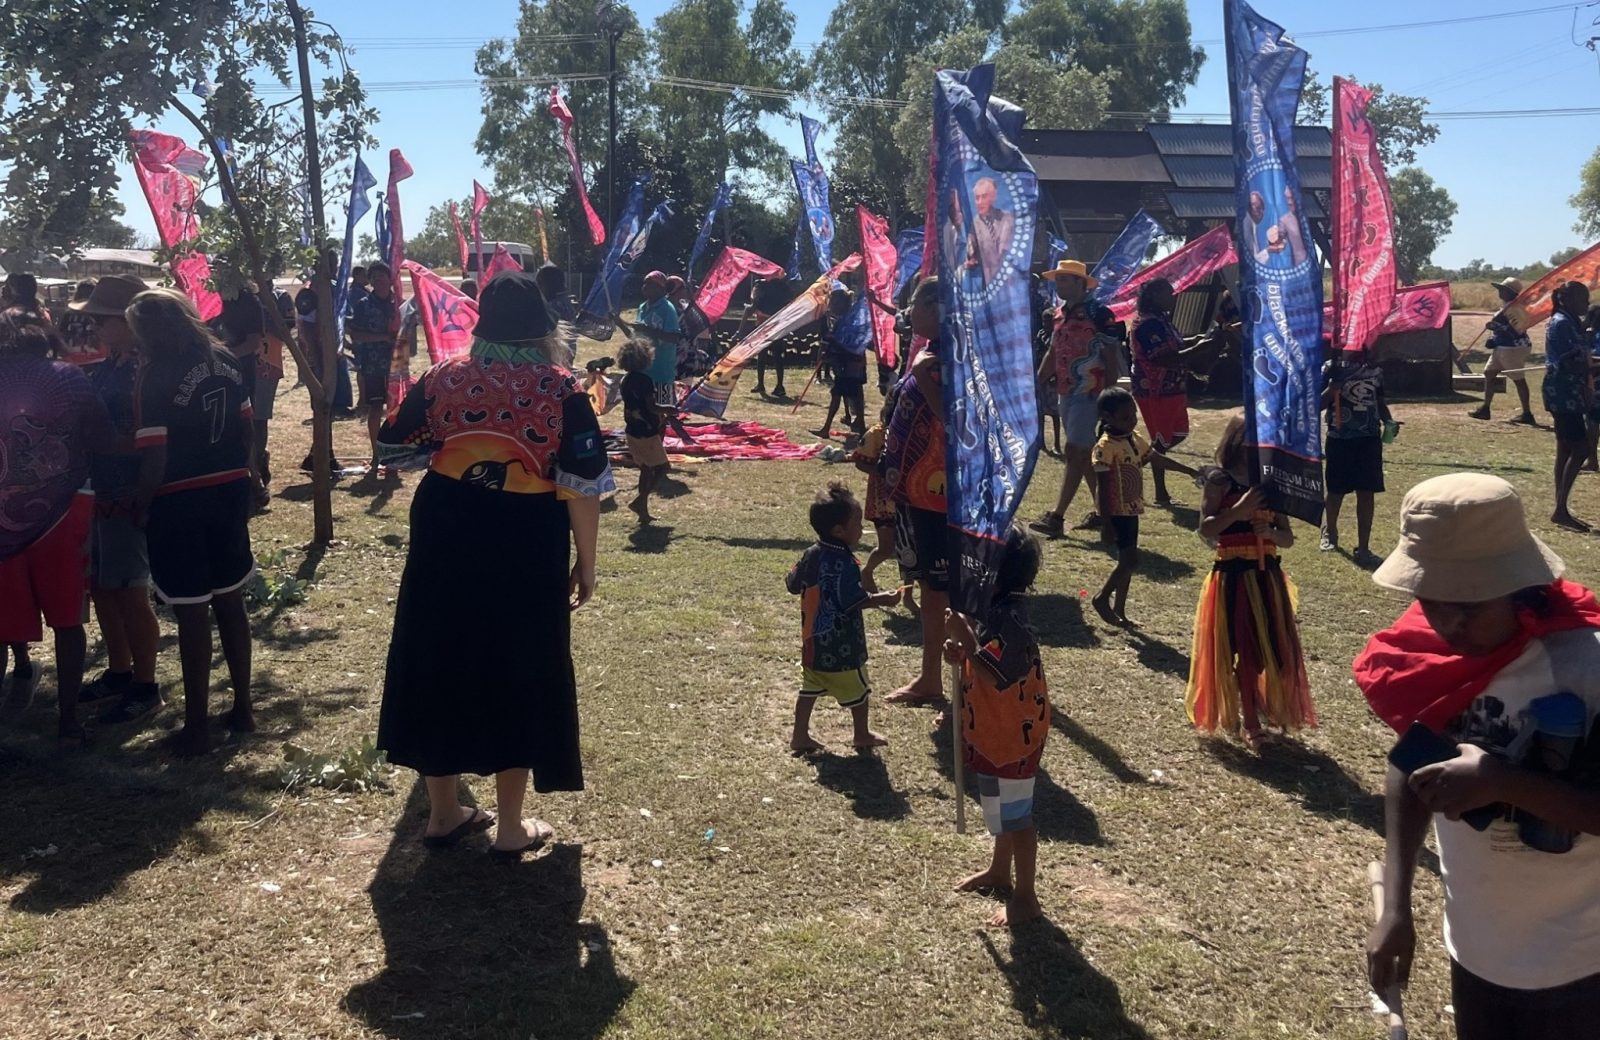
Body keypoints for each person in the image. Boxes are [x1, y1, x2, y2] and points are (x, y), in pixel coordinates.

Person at [376, 271, 614, 858]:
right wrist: (587, 563)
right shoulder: (562, 388)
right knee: (520, 659)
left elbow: (391, 444)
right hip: (525, 534)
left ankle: (443, 813)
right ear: (544, 328)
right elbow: (583, 484)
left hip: (445, 526)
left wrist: (450, 447)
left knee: (439, 650)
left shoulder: (443, 376)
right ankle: (510, 826)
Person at [1358, 473, 1600, 1039]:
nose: (1449, 624)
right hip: (1476, 948)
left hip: (1578, 960)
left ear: (1518, 587)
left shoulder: (1583, 667)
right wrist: (1397, 905)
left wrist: (1502, 781)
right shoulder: (1432, 657)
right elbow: (1409, 763)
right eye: (1431, 602)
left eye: (1467, 604)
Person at [128, 289, 259, 756]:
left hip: (179, 499)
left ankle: (197, 727)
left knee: (191, 610)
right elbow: (247, 426)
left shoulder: (155, 374)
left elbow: (155, 456)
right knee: (230, 601)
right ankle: (243, 708)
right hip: (228, 489)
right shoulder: (225, 359)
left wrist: (141, 505)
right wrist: (248, 474)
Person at [0, 308, 113, 742]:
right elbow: (101, 437)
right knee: (68, 620)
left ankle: (15, 690)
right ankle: (68, 720)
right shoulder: (69, 377)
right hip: (62, 513)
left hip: (3, 519)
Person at [1187, 414, 1314, 749]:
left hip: (1266, 576)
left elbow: (1287, 538)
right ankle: (1251, 721)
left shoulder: (1270, 484)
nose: (1258, 446)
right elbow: (1206, 528)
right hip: (1232, 575)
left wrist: (1270, 532)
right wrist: (1239, 511)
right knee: (1238, 647)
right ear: (1236, 440)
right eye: (1252, 439)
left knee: (1265, 650)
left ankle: (1254, 702)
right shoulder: (1220, 480)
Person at [944, 523, 1049, 927]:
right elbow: (983, 659)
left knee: (1016, 816)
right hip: (991, 728)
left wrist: (968, 641)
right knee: (998, 806)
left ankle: (1026, 896)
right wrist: (963, 653)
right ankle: (1000, 870)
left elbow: (997, 673)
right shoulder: (993, 610)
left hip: (1014, 733)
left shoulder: (1011, 620)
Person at [73, 278, 162, 723]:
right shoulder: (112, 364)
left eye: (102, 318)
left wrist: (107, 443)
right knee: (104, 587)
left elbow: (151, 439)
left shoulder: (145, 371)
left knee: (130, 591)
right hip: (101, 489)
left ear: (128, 321)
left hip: (128, 492)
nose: (94, 325)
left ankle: (146, 684)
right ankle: (120, 670)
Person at [785, 483, 901, 754]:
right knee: (859, 692)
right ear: (839, 530)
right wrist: (883, 598)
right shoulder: (845, 563)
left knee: (809, 689)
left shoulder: (811, 553)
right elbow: (852, 601)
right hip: (842, 648)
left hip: (813, 643)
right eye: (857, 524)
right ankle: (861, 733)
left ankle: (799, 735)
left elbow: (792, 583)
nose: (862, 529)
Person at [881, 277, 950, 706]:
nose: (910, 313)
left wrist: (923, 378)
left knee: (942, 589)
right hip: (919, 491)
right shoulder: (933, 352)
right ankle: (931, 677)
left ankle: (946, 682)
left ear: (936, 308)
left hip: (937, 493)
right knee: (931, 587)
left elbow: (954, 419)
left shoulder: (949, 360)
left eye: (916, 305)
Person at [1089, 388, 1195, 628]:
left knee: (1127, 561)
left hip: (1132, 510)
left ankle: (1120, 610)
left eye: (1133, 415)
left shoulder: (1133, 438)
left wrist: (1188, 470)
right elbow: (1102, 488)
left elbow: (1156, 458)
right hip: (1117, 512)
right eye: (1125, 417)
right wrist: (1105, 522)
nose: (1132, 420)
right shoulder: (1104, 447)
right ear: (1107, 417)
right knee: (1130, 561)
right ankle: (1102, 599)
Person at [1030, 260, 1120, 538]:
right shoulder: (1060, 314)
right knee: (1085, 454)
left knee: (1075, 451)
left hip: (1090, 392)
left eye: (1065, 280)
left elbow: (1111, 356)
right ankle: (1104, 514)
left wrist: (1110, 396)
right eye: (1058, 280)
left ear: (1081, 283)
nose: (1060, 285)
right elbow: (1053, 352)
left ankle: (1057, 516)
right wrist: (1037, 382)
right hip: (1066, 392)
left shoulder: (1099, 314)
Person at [1321, 347, 1392, 564]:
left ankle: (1363, 547)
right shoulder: (1331, 368)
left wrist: (1388, 420)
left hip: (1368, 438)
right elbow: (1316, 404)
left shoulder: (1375, 370)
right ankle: (1330, 532)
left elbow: (1380, 402)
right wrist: (1331, 389)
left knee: (1367, 492)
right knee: (1335, 491)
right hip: (1339, 437)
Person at [1129, 278, 1191, 506]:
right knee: (1162, 439)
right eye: (1168, 293)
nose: (1173, 297)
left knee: (1179, 433)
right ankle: (1158, 491)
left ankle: (1140, 463)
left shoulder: (1161, 320)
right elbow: (1163, 357)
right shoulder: (1147, 324)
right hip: (1155, 389)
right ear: (1154, 296)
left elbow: (1177, 346)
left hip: (1172, 387)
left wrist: (1201, 341)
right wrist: (1200, 349)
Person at [1541, 281, 1592, 531]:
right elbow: (1571, 362)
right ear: (1568, 299)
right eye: (1583, 298)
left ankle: (1560, 508)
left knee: (1565, 449)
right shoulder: (1562, 323)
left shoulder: (1569, 321)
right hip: (1564, 391)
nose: (1587, 303)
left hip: (1566, 391)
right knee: (1581, 449)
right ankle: (1560, 509)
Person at [346, 262, 399, 474]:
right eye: (374, 276)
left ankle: (394, 455)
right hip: (373, 364)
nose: (378, 279)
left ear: (389, 278)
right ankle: (376, 454)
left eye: (382, 275)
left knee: (396, 410)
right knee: (376, 408)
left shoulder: (399, 304)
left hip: (397, 364)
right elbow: (356, 334)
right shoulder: (363, 305)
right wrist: (383, 338)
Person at [618, 338, 670, 525]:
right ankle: (640, 500)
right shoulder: (645, 381)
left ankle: (643, 512)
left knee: (646, 470)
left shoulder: (625, 380)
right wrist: (668, 409)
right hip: (646, 432)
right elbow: (651, 406)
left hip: (632, 430)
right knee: (662, 468)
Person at [1470, 277, 1536, 425]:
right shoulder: (1507, 307)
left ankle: (1527, 413)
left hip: (1513, 348)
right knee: (1489, 373)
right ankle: (1485, 408)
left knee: (1518, 379)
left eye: (1503, 289)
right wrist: (1494, 338)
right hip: (1502, 346)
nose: (1500, 292)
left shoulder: (1516, 309)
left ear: (1511, 293)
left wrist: (1497, 327)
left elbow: (1518, 330)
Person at [854, 395, 901, 598]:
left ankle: (908, 595)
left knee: (910, 550)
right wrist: (881, 472)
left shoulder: (912, 433)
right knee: (886, 547)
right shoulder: (876, 434)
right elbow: (859, 461)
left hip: (907, 499)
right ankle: (867, 571)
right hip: (882, 501)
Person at [814, 284, 867, 441]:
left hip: (849, 364)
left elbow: (845, 342)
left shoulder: (848, 321)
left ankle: (829, 428)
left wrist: (831, 341)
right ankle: (860, 427)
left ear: (842, 304)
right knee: (848, 394)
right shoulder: (844, 320)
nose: (831, 306)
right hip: (850, 363)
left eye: (834, 303)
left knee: (845, 394)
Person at [967, 177, 1014, 285]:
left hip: (1008, 281)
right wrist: (971, 258)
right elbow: (970, 251)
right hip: (986, 282)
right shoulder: (974, 223)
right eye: (977, 198)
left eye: (984, 197)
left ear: (993, 197)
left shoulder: (1006, 219)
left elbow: (1007, 252)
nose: (980, 202)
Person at [58, 279, 104, 367]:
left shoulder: (68, 314)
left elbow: (61, 334)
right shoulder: (99, 315)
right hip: (94, 359)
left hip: (73, 359)